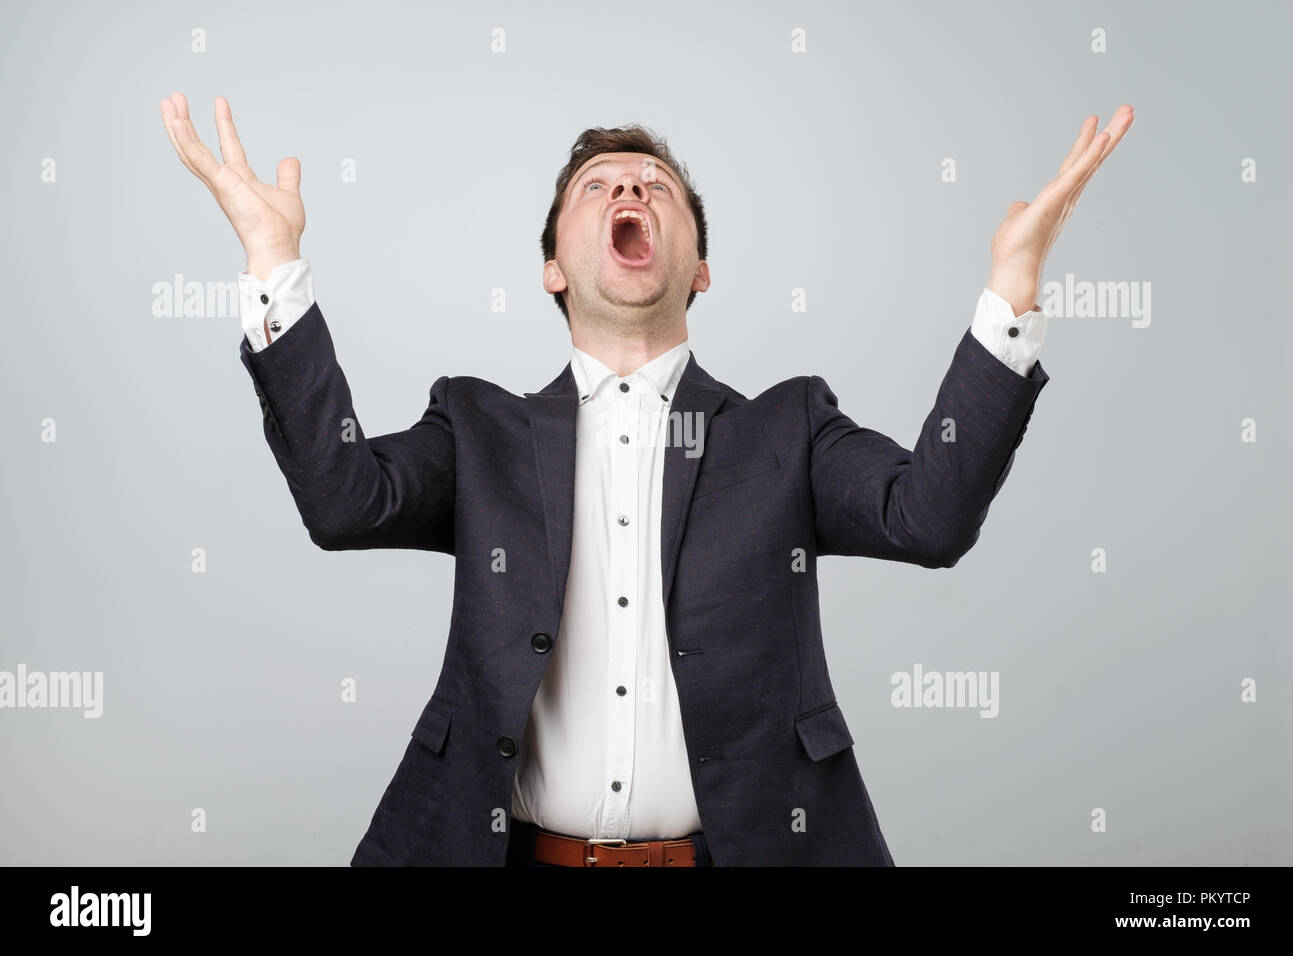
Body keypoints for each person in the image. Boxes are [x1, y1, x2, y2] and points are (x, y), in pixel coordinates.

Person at [160, 93, 1133, 866]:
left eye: (654, 185)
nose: (628, 190)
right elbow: (343, 501)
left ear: (700, 267)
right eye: (598, 186)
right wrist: (274, 264)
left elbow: (928, 515)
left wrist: (1010, 290)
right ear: (551, 266)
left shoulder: (788, 427)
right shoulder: (477, 424)